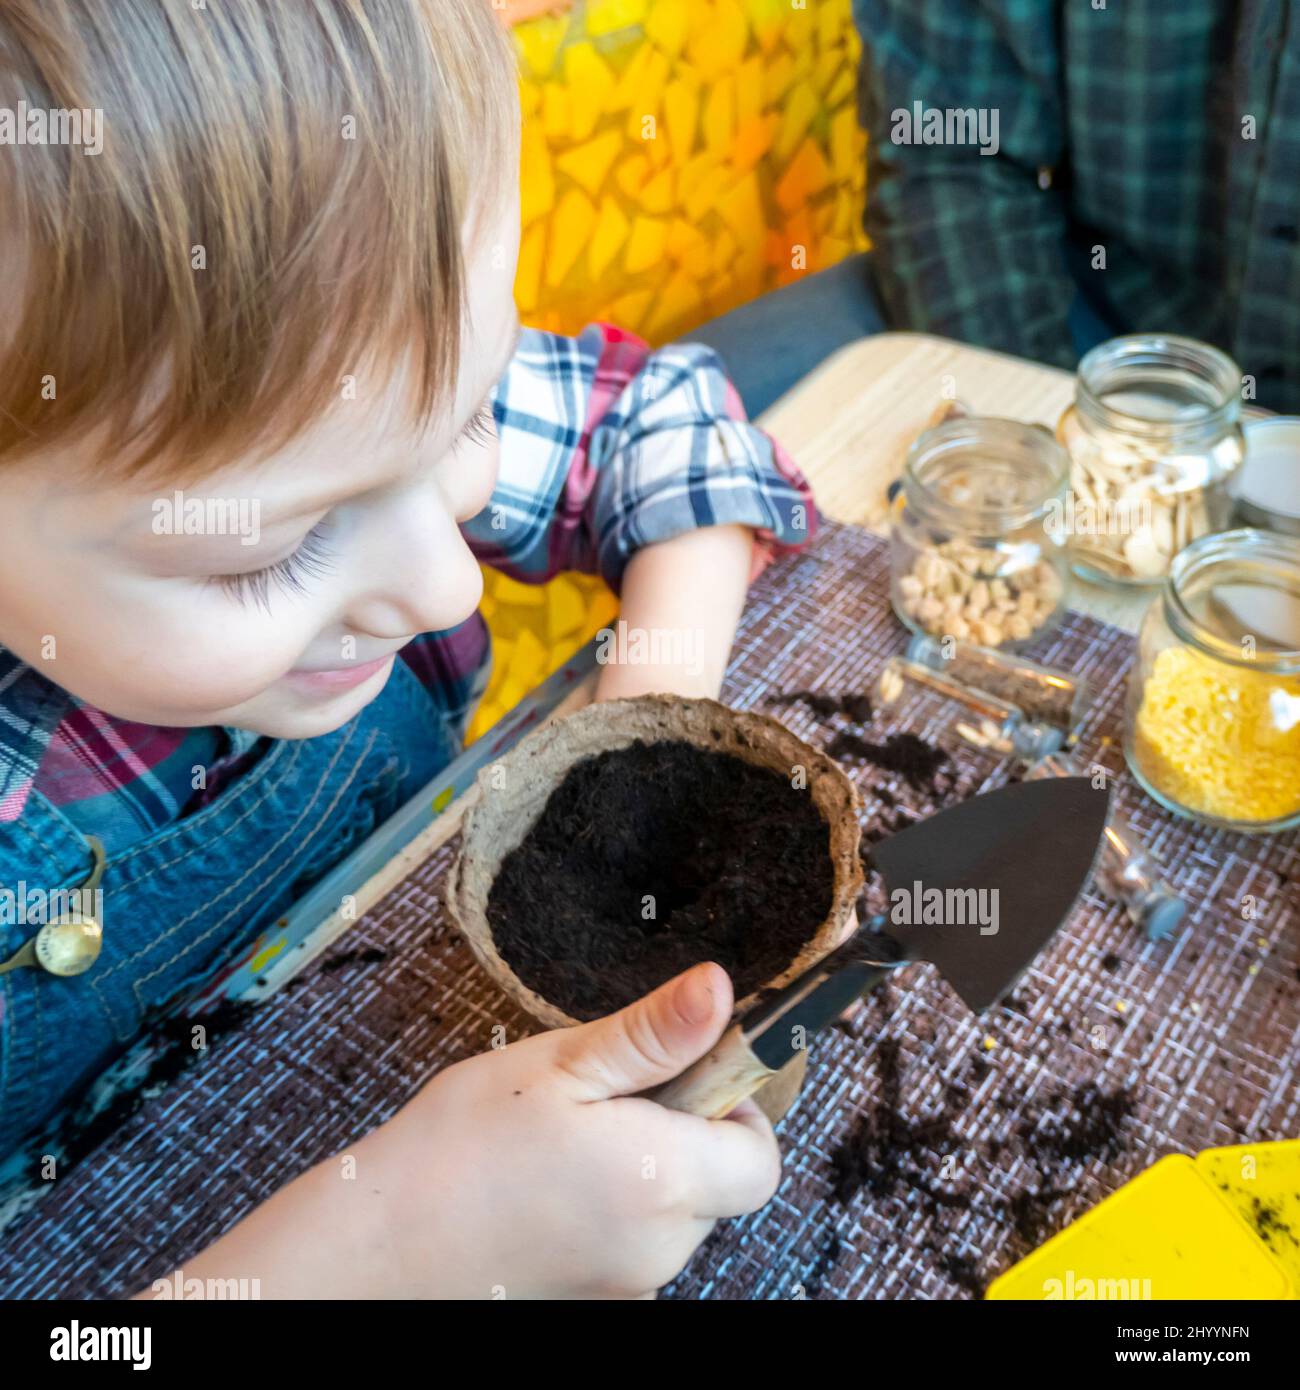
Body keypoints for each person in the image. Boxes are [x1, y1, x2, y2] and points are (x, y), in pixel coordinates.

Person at [0, 0, 813, 1297]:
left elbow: (662, 422)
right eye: (270, 548)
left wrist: (638, 734)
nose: (445, 584)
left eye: (470, 418)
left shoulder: (353, 383)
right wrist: (390, 1251)